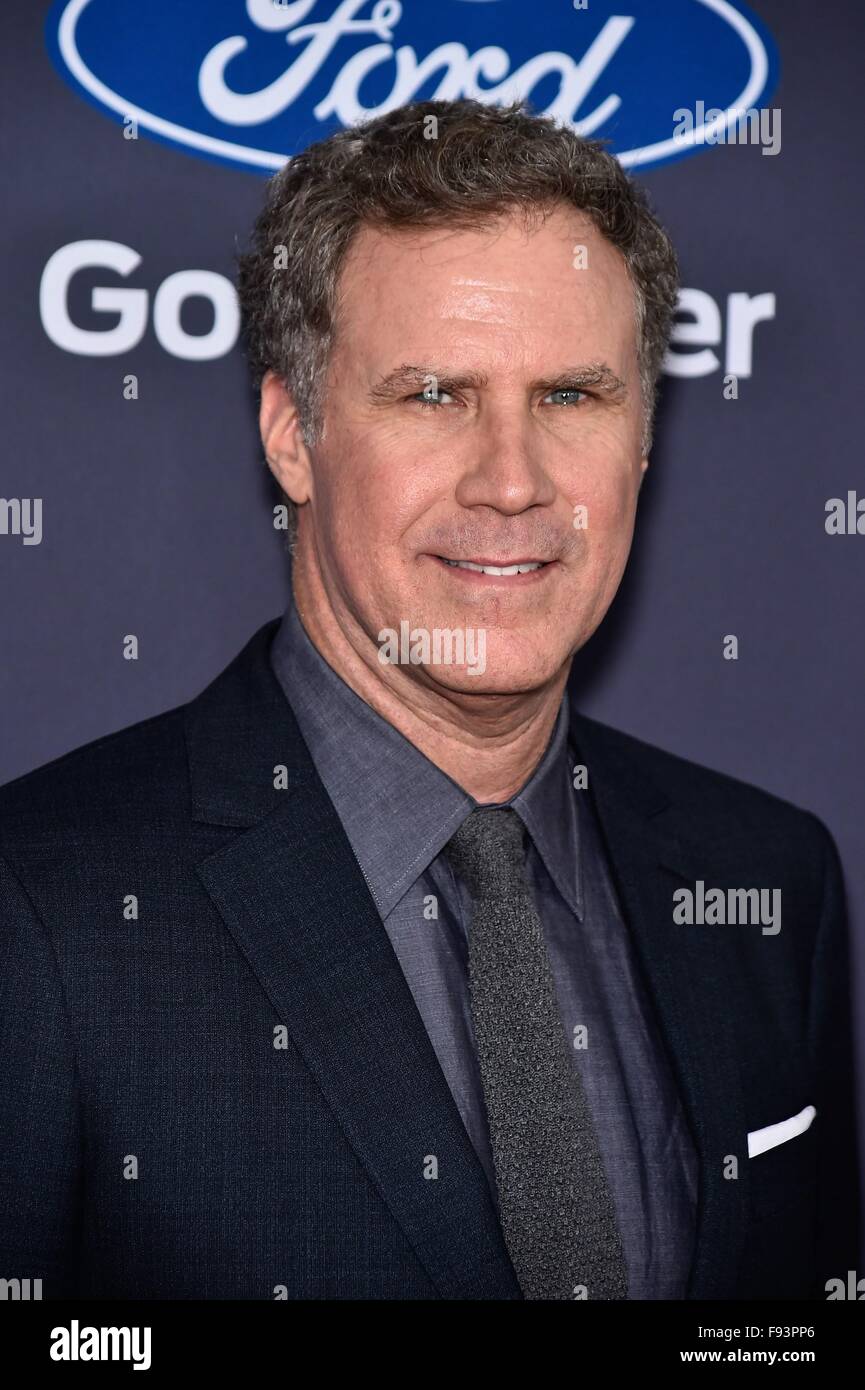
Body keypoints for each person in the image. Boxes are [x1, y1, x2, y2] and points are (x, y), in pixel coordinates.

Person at [0, 98, 858, 1300]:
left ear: (646, 440)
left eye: (571, 396)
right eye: (432, 395)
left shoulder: (771, 879)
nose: (512, 481)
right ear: (292, 435)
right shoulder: (41, 910)